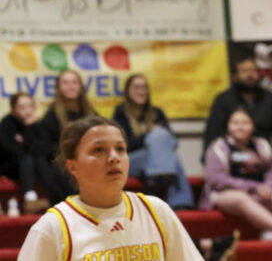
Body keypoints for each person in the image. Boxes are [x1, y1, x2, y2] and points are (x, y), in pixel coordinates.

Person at [16, 115, 203, 261]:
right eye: (99, 150)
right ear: (73, 167)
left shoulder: (156, 211)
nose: (114, 157)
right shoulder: (51, 228)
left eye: (120, 149)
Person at [199, 108, 272, 241]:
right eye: (235, 123)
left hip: (260, 192)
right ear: (228, 126)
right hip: (226, 194)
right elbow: (217, 179)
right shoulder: (218, 147)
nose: (240, 127)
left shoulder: (262, 145)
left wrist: (268, 187)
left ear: (252, 126)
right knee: (241, 198)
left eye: (245, 123)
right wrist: (253, 187)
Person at [111, 73, 193, 208]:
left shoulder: (157, 112)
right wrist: (150, 136)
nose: (141, 91)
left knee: (169, 150)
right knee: (162, 145)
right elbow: (124, 145)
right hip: (131, 159)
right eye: (137, 87)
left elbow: (172, 142)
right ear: (128, 91)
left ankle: (157, 179)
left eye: (144, 87)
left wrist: (156, 139)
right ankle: (181, 201)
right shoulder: (120, 113)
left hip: (152, 164)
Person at [202, 56, 272, 156]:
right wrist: (209, 159)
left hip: (264, 157)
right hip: (232, 157)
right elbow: (212, 132)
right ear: (235, 75)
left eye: (254, 70)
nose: (250, 75)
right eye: (244, 71)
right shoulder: (223, 99)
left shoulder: (270, 99)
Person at [0, 93, 70, 209]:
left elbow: (48, 149)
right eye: (22, 107)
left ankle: (60, 200)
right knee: (28, 158)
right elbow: (11, 151)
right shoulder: (7, 123)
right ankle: (30, 199)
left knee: (42, 161)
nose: (27, 111)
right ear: (13, 110)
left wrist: (31, 127)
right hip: (12, 167)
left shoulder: (38, 125)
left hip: (35, 166)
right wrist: (28, 132)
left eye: (30, 106)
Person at [39, 69, 98, 162]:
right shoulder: (51, 115)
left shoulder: (90, 111)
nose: (71, 86)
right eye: (65, 83)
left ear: (80, 86)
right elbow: (46, 148)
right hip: (65, 162)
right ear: (58, 88)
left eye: (74, 82)